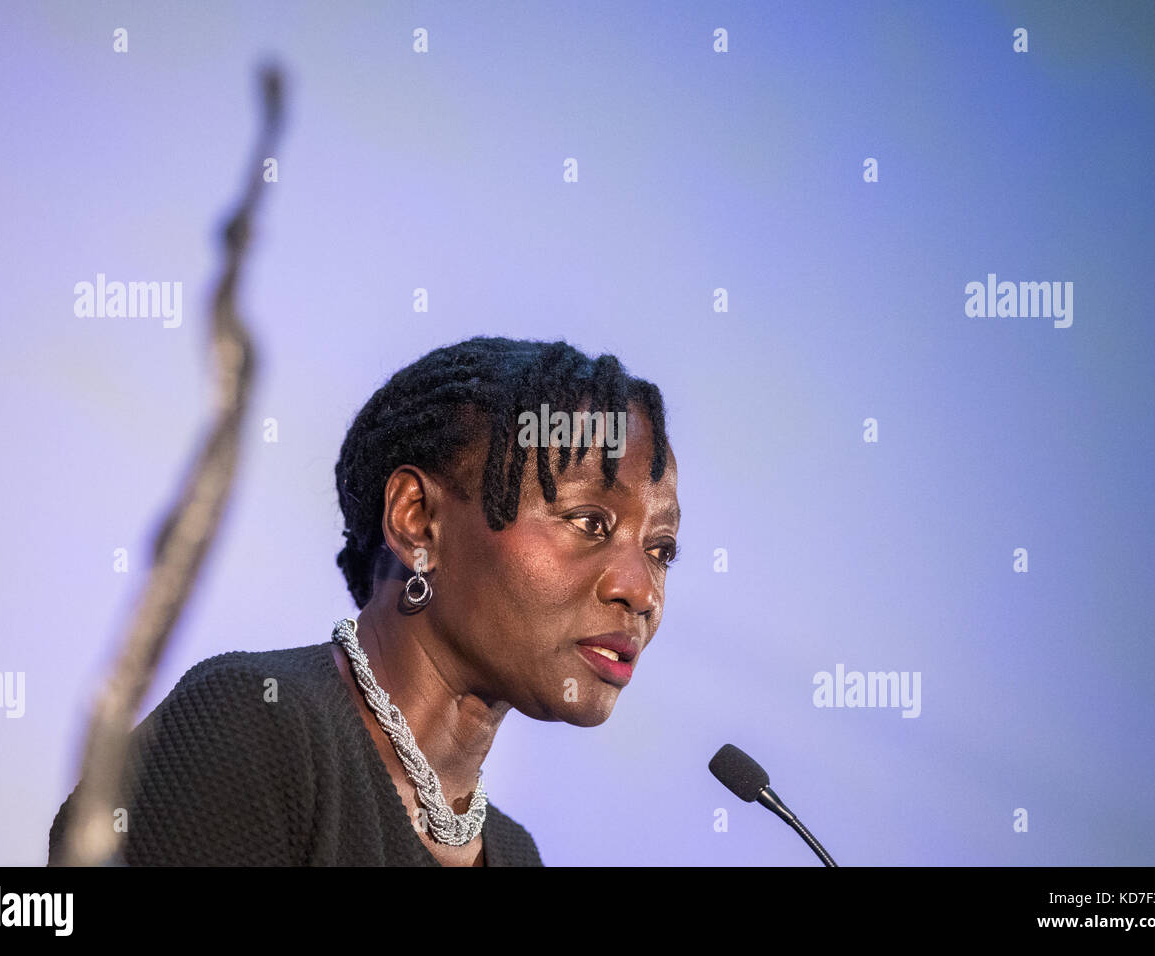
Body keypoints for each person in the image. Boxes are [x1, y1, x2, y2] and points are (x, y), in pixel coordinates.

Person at [48, 335, 681, 866]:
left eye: (661, 549)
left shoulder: (515, 855)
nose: (641, 590)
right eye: (589, 522)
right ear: (418, 520)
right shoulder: (257, 727)